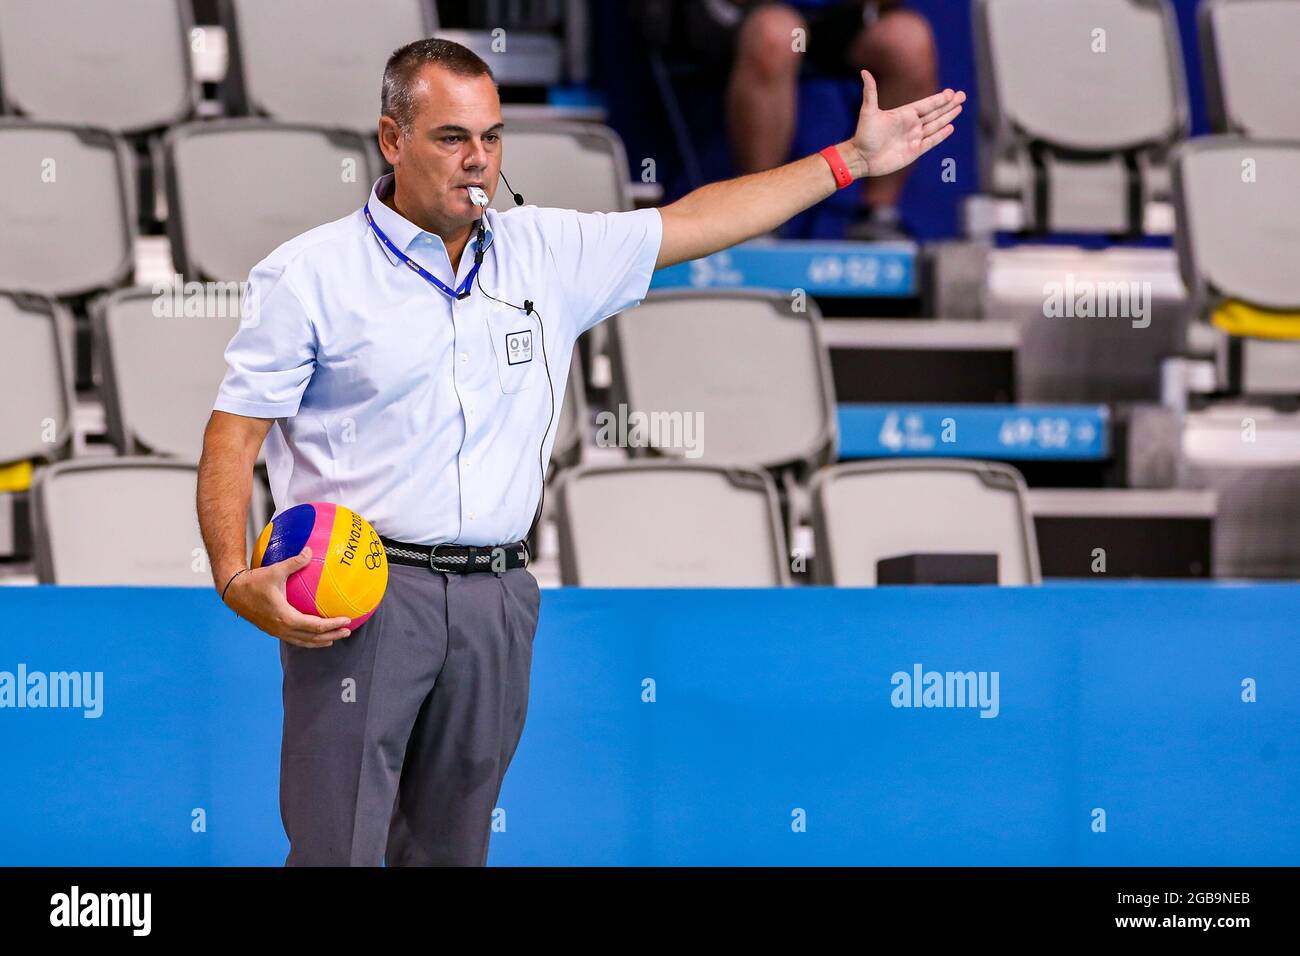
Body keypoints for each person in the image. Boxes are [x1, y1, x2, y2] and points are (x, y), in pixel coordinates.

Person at [196, 36, 963, 866]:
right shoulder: (310, 274)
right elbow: (233, 438)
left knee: (452, 855)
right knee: (337, 852)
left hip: (498, 600)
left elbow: (700, 219)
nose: (478, 160)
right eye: (452, 138)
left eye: (491, 138)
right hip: (361, 596)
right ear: (392, 139)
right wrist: (235, 578)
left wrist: (847, 160)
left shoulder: (547, 252)